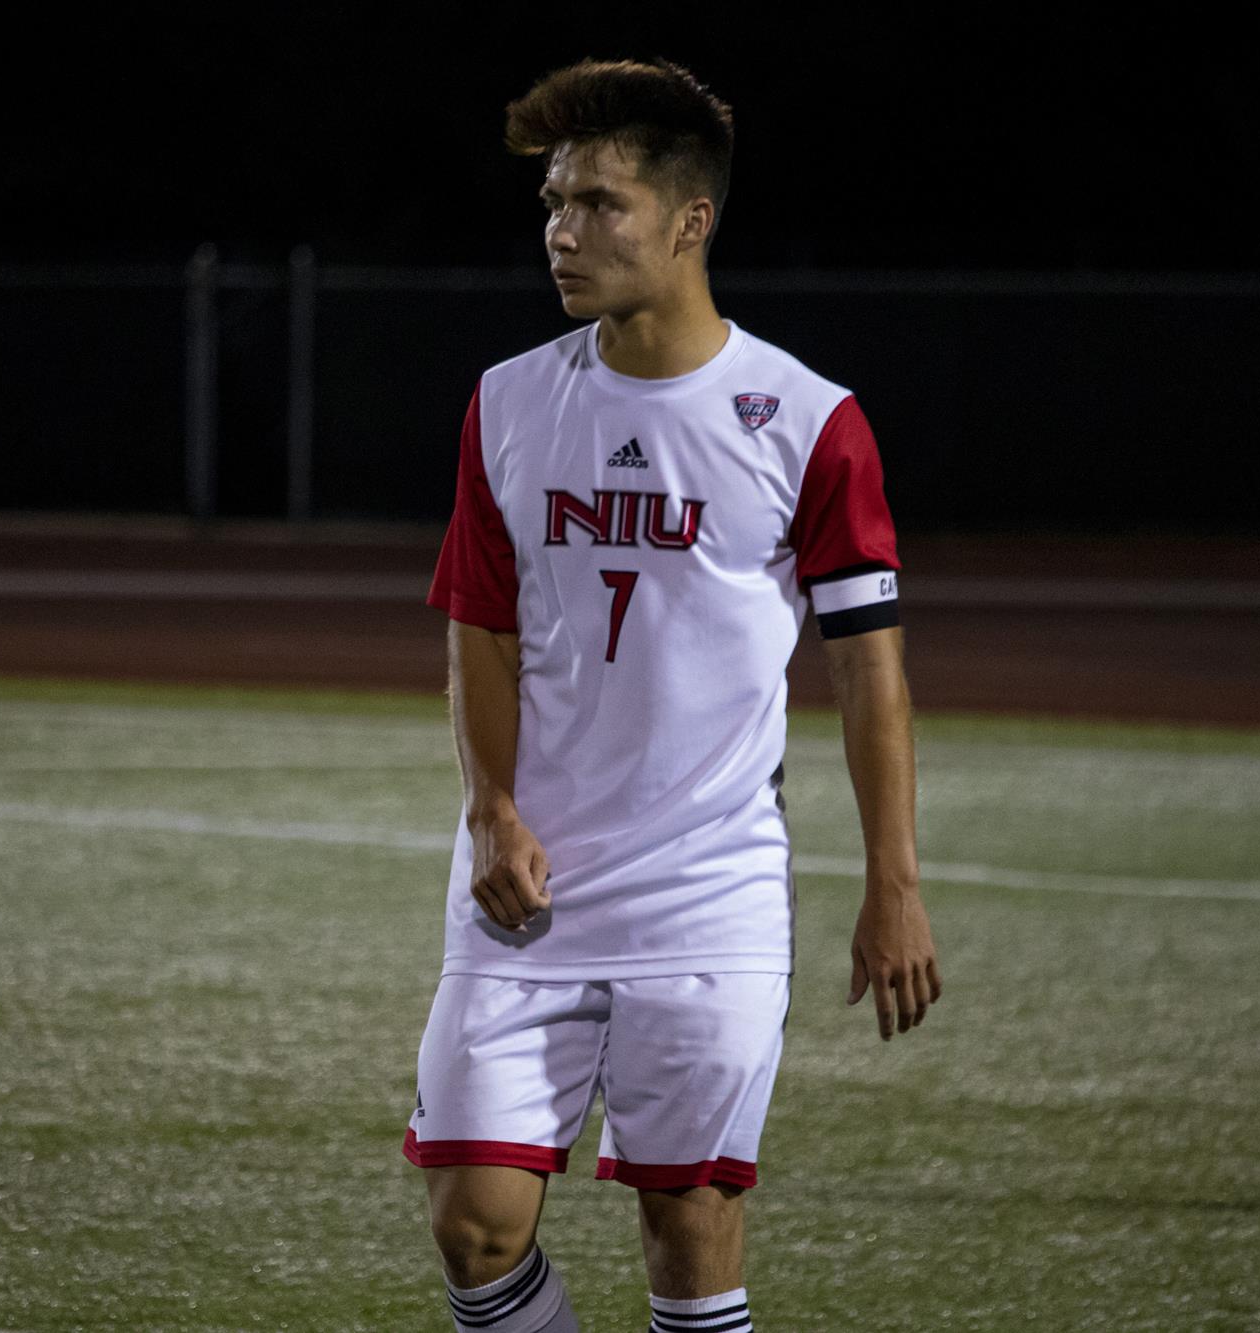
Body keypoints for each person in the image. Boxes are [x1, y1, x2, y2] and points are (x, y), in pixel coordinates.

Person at [402, 56, 941, 1333]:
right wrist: (489, 809)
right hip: (522, 885)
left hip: (709, 890)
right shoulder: (507, 402)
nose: (561, 232)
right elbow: (477, 627)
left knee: (686, 1227)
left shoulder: (807, 420)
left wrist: (894, 883)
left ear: (690, 221)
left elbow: (868, 667)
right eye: (551, 203)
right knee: (474, 1226)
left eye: (597, 204)